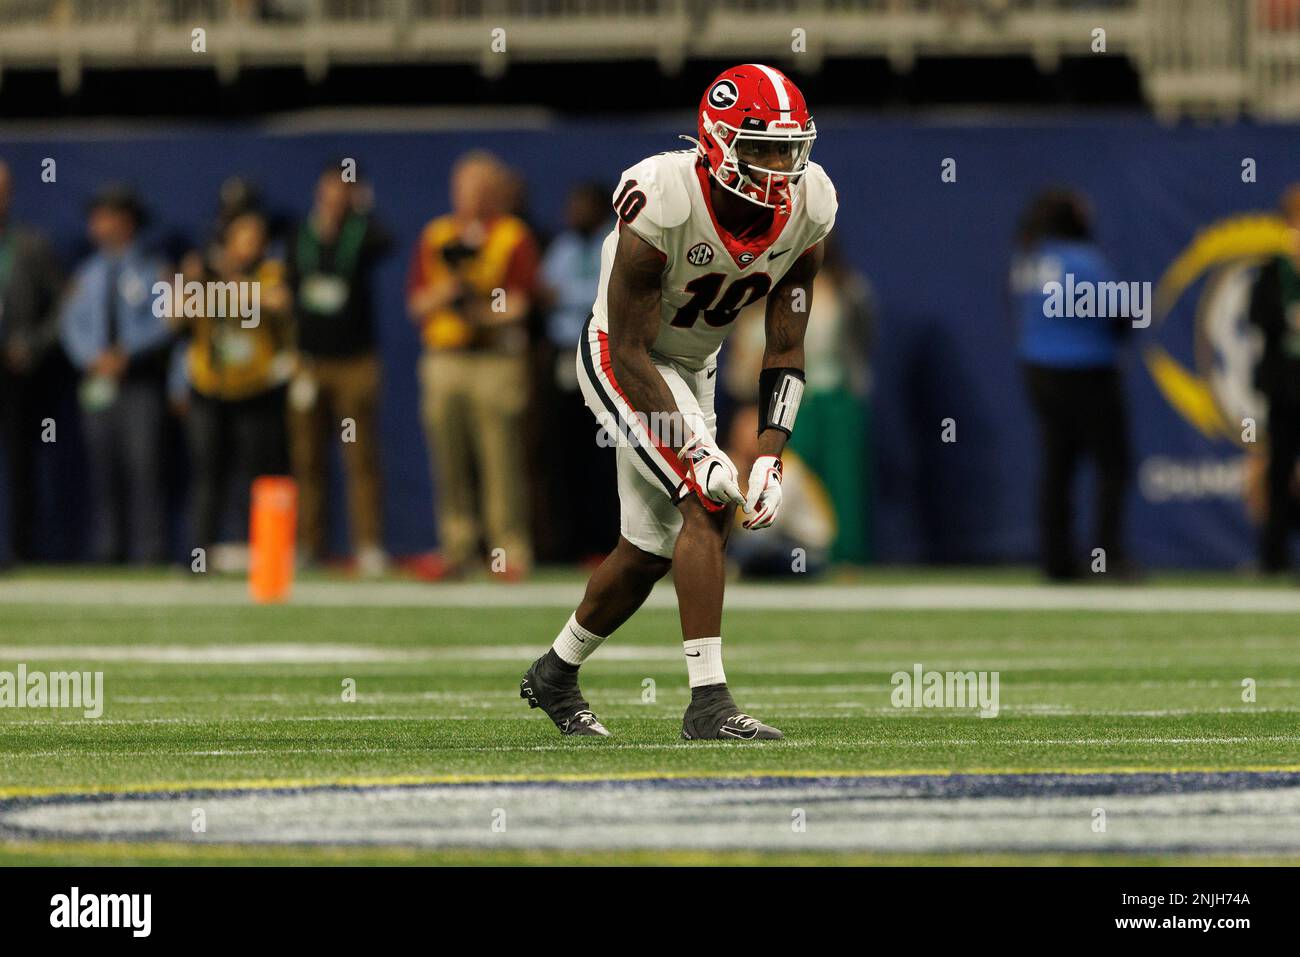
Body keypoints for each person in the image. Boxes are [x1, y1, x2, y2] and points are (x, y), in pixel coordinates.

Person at [519, 64, 836, 739]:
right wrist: (697, 449)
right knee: (709, 496)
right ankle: (708, 704)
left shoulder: (811, 206)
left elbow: (785, 345)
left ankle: (555, 671)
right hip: (620, 356)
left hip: (696, 362)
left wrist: (772, 456)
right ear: (718, 141)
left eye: (788, 147)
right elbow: (632, 347)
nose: (780, 165)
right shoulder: (663, 196)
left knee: (649, 549)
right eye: (761, 147)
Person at [407, 151, 539, 580]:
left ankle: (508, 551)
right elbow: (418, 303)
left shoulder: (512, 235)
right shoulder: (437, 235)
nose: (474, 196)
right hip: (445, 359)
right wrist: (450, 292)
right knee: (449, 458)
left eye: (483, 187)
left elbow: (519, 302)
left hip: (494, 358)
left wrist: (481, 311)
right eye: (466, 187)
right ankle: (457, 546)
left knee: (500, 457)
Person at [1011, 187, 1135, 581]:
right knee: (1111, 465)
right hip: (1087, 371)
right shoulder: (1085, 261)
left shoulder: (1028, 259)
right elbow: (1122, 316)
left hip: (1039, 371)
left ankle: (1056, 560)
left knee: (1057, 466)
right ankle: (1107, 555)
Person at [286, 166, 392, 574]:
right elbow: (292, 283)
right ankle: (309, 544)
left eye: (344, 190)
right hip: (310, 362)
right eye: (330, 188)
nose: (335, 197)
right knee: (307, 458)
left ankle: (367, 544)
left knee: (360, 457)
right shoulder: (301, 232)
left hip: (354, 361)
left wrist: (362, 209)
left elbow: (387, 242)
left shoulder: (362, 232)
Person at [60, 185, 173, 564]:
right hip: (98, 383)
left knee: (145, 467)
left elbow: (168, 320)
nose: (97, 224)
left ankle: (151, 549)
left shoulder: (153, 269)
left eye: (105, 216)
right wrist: (91, 357)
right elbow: (70, 325)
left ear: (125, 222)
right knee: (103, 469)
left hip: (139, 382)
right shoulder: (87, 274)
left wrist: (127, 353)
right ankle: (109, 549)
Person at [174, 211, 293, 557]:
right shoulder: (203, 275)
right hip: (210, 388)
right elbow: (173, 317)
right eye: (243, 237)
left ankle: (269, 554)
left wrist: (229, 281)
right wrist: (192, 282)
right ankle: (199, 555)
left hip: (256, 388)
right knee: (207, 475)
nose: (250, 246)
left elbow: (277, 301)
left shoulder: (269, 273)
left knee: (263, 477)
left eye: (257, 239)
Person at [534, 182, 619, 562]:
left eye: (583, 204)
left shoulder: (616, 242)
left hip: (605, 355)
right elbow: (542, 293)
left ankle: (607, 543)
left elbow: (610, 294)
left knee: (605, 454)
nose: (574, 212)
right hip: (564, 356)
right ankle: (566, 546)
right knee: (563, 453)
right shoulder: (563, 247)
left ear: (600, 208)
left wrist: (566, 295)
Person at [0, 160, 65, 564]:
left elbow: (62, 306)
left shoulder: (29, 244)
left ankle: (20, 550)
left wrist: (34, 345)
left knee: (21, 463)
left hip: (15, 369)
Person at [1247, 184, 1300, 572]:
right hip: (1284, 386)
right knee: (1279, 467)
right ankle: (1273, 556)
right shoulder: (1272, 269)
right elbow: (1259, 318)